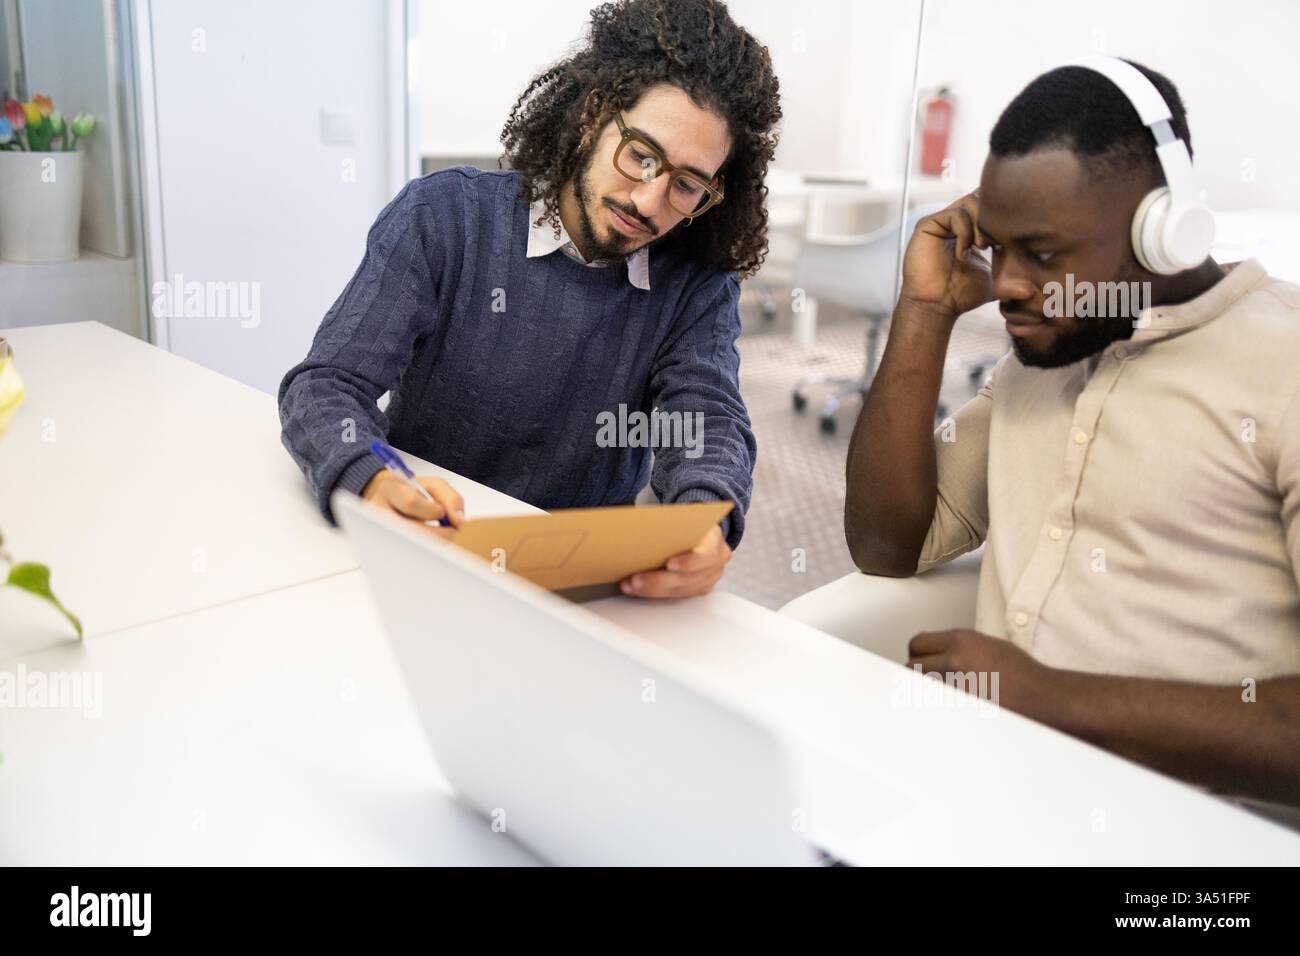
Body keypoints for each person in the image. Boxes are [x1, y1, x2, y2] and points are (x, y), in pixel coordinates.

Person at [845, 59, 1300, 819]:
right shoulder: (1045, 359)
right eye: (998, 247)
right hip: (998, 806)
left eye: (1044, 254)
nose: (1006, 285)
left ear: (1165, 230)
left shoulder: (1283, 367)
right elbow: (885, 545)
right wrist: (925, 310)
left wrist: (1048, 699)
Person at [279, 0, 780, 599]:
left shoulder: (696, 284)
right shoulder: (445, 217)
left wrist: (704, 515)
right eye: (641, 156)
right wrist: (371, 479)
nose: (649, 202)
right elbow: (327, 384)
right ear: (594, 115)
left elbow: (705, 420)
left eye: (687, 184)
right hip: (425, 546)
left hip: (584, 582)